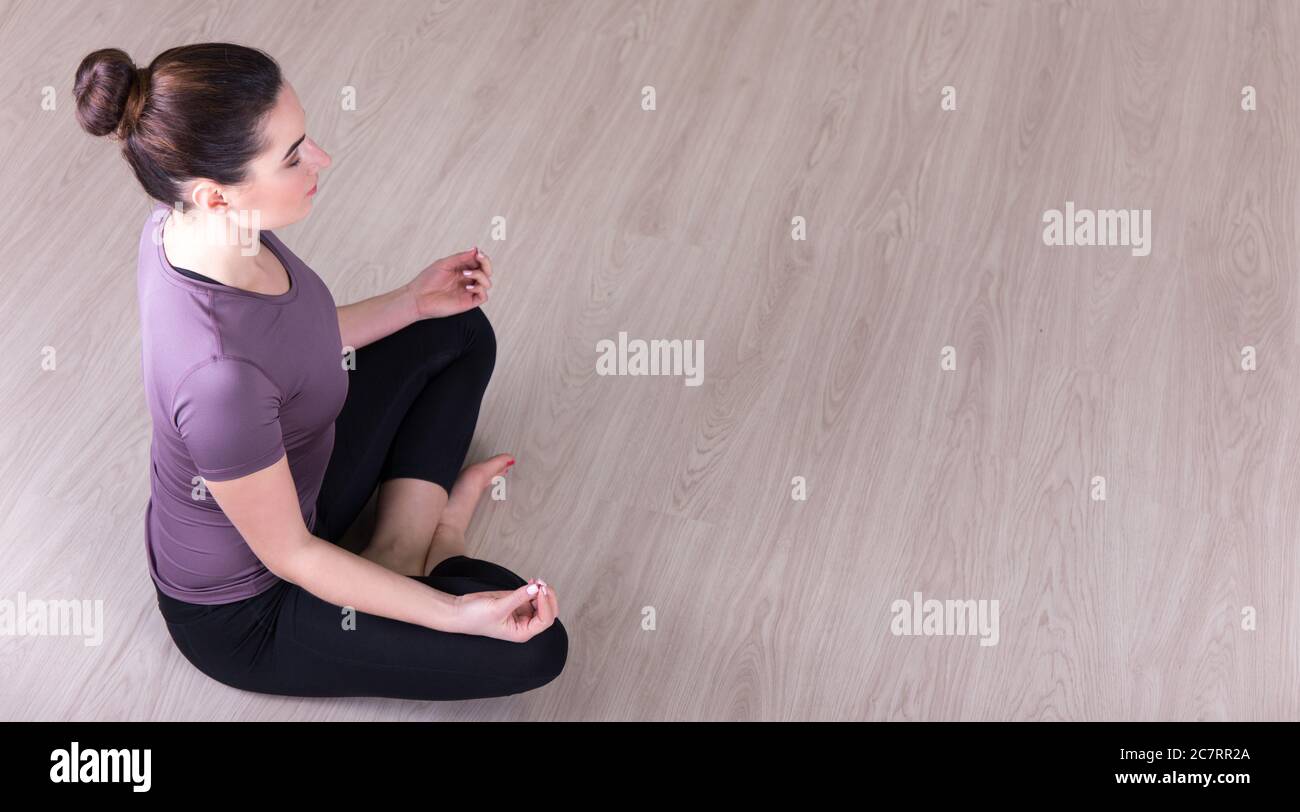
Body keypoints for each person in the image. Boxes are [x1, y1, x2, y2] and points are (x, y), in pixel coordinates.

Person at [73, 42, 567, 700]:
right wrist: (453, 612)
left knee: (455, 328)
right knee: (536, 647)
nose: (322, 159)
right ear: (218, 197)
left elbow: (289, 341)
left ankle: (397, 549)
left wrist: (414, 301)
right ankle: (432, 546)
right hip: (254, 608)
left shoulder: (189, 221)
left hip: (300, 473)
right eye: (294, 155)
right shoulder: (218, 382)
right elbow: (293, 556)